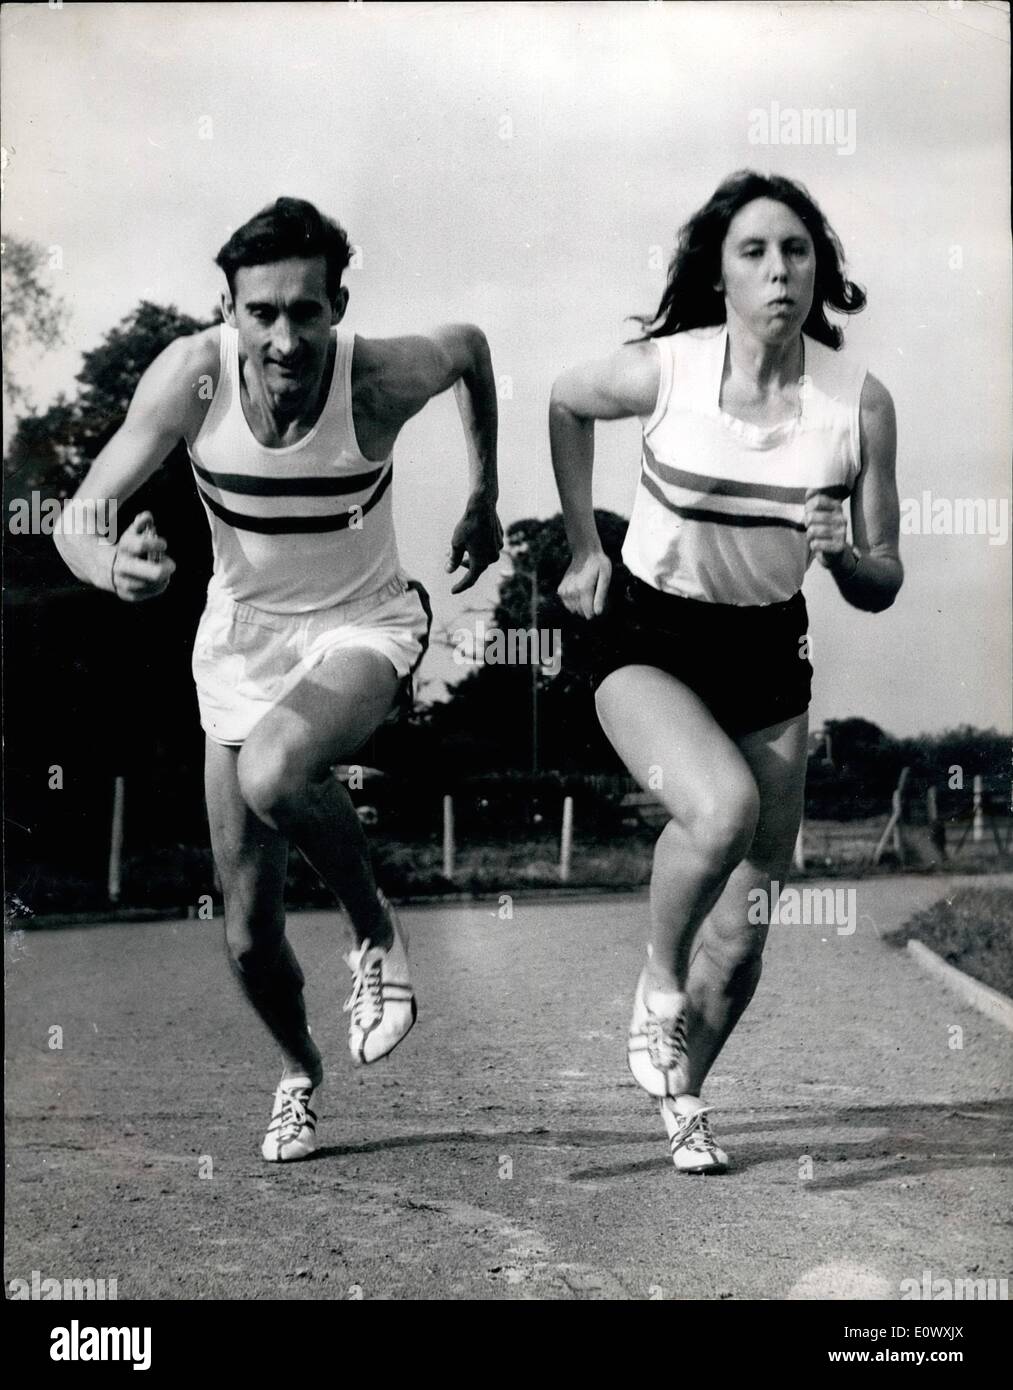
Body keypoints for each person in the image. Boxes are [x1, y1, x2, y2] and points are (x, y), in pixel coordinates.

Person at [55, 197, 502, 1162]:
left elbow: (468, 346)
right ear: (229, 309)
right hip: (240, 644)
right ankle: (300, 1072)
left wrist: (485, 495)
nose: (286, 338)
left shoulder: (378, 377)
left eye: (307, 310)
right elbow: (76, 516)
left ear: (339, 305)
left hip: (363, 623)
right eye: (262, 314)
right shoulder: (191, 379)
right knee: (249, 938)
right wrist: (111, 570)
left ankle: (376, 937)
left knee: (275, 770)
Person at [549, 171, 901, 1173]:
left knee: (744, 930)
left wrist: (840, 555)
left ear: (818, 270)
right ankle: (654, 989)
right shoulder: (666, 370)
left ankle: (682, 1096)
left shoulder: (856, 406)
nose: (777, 269)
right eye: (752, 251)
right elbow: (563, 402)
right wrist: (582, 544)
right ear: (720, 270)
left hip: (765, 655)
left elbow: (882, 579)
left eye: (795, 250)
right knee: (716, 809)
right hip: (650, 639)